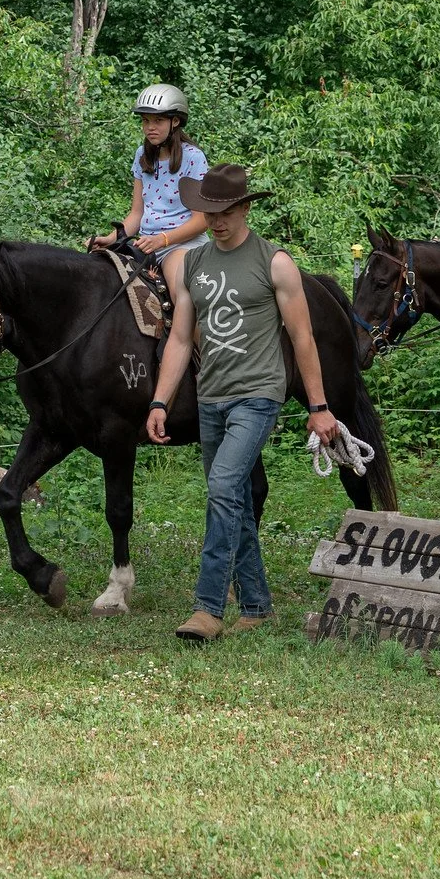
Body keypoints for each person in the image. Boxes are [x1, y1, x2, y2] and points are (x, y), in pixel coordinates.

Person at [144, 163, 340, 641]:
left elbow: (303, 338)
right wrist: (160, 402)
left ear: (246, 207)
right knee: (235, 501)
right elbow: (181, 341)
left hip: (258, 396)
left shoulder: (274, 262)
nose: (217, 220)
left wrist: (318, 408)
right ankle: (256, 603)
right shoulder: (194, 264)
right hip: (211, 397)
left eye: (226, 210)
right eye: (209, 211)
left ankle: (208, 608)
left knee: (223, 488)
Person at [89, 84, 210, 257]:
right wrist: (112, 239)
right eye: (145, 120)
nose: (150, 127)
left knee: (177, 282)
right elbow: (137, 213)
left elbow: (202, 220)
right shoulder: (142, 154)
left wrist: (163, 239)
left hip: (182, 244)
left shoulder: (194, 157)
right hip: (146, 244)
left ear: (175, 121)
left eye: (158, 121)